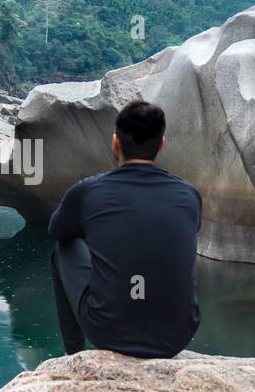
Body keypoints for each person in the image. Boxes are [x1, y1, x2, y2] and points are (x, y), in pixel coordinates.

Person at [47, 100, 203, 358]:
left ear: (115, 142)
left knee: (64, 248)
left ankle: (73, 356)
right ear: (161, 144)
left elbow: (57, 231)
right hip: (178, 335)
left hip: (110, 333)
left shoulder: (88, 191)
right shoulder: (189, 194)